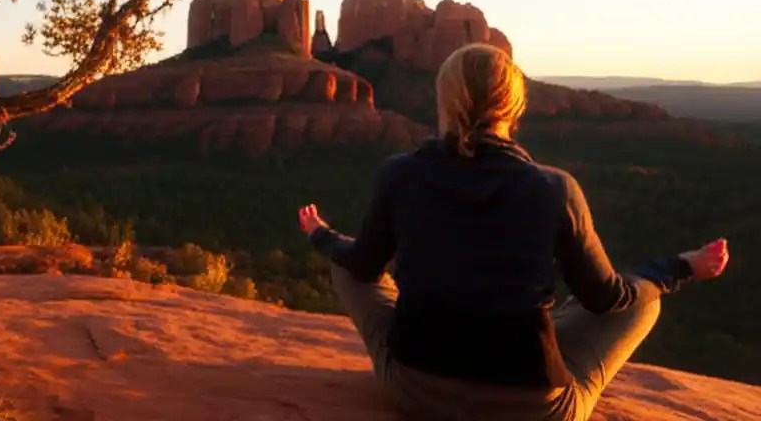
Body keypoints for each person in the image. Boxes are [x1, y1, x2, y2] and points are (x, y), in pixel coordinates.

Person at [297, 43, 729, 420]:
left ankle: (542, 324)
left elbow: (362, 263)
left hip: (415, 391)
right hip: (533, 411)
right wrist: (679, 267)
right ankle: (545, 325)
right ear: (514, 106)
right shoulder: (554, 187)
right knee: (643, 302)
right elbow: (606, 297)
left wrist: (321, 234)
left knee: (346, 264)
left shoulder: (399, 173)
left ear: (443, 101)